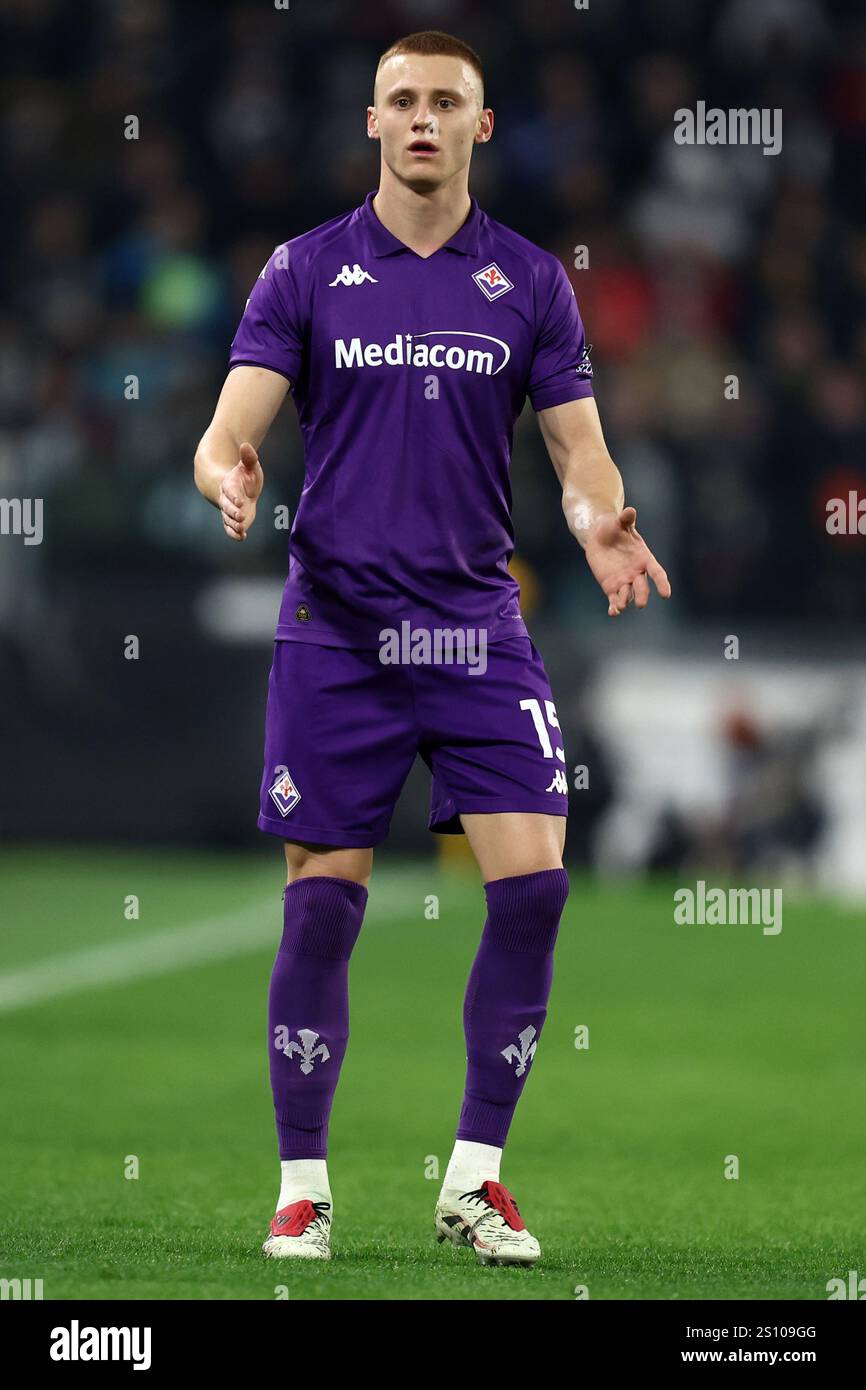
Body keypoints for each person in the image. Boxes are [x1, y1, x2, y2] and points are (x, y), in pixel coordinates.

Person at [194, 28, 670, 1267]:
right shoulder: (301, 272)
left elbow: (578, 451)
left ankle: (474, 1177)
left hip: (472, 627)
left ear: (480, 125)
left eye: (441, 102)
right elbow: (228, 425)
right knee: (322, 909)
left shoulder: (527, 281)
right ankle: (303, 1187)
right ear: (370, 121)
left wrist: (599, 522)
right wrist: (223, 466)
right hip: (336, 633)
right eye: (399, 100)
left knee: (534, 887)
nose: (419, 119)